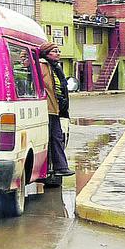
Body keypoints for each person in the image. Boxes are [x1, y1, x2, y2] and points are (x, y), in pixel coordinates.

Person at [39, 42, 73, 177]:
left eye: (58, 50)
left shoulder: (55, 68)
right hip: (47, 109)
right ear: (46, 54)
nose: (58, 53)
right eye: (54, 51)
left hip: (55, 109)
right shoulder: (42, 66)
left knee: (57, 138)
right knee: (54, 138)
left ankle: (60, 167)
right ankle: (57, 167)